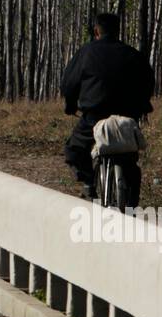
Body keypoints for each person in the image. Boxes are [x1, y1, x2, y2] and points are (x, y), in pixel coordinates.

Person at [60, 13, 155, 202]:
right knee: (130, 158)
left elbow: (68, 84)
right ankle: (130, 202)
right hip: (127, 118)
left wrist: (70, 106)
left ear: (96, 31)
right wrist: (143, 106)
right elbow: (148, 83)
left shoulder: (86, 52)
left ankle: (88, 182)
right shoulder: (133, 55)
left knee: (74, 150)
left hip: (94, 117)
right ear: (118, 31)